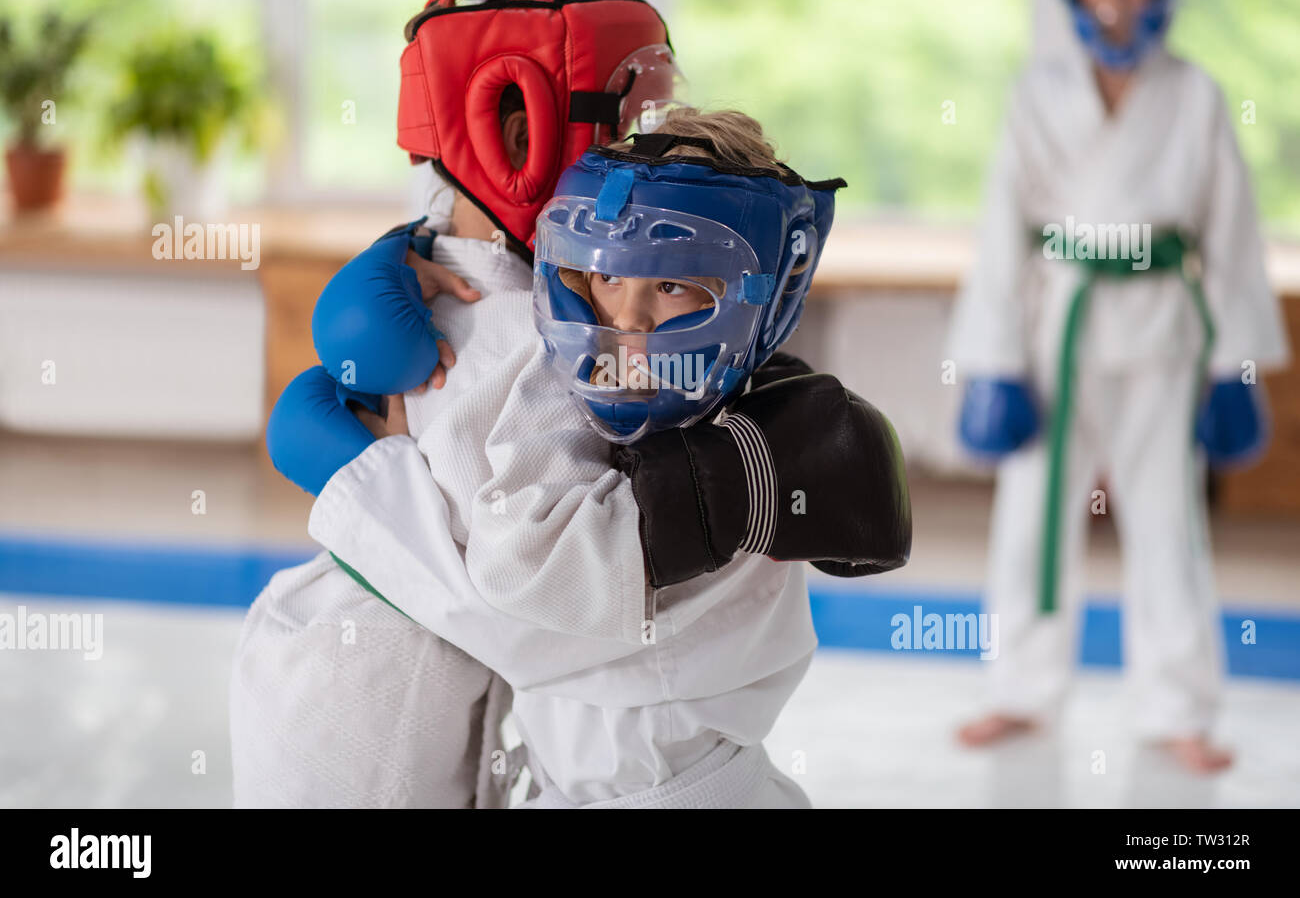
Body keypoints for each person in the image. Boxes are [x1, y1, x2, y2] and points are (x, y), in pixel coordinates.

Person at [302, 108, 911, 806]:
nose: (627, 320)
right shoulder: (601, 379)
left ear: (757, 297)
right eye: (608, 277)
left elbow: (517, 580)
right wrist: (411, 244)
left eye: (674, 285)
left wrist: (371, 489)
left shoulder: (752, 456)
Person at [230, 0, 683, 808]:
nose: (643, 158)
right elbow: (535, 612)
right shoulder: (518, 338)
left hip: (372, 692)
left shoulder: (452, 278)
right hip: (362, 719)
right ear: (519, 134)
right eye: (624, 126)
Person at [948, 0, 1289, 773]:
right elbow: (1002, 232)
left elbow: (1234, 236)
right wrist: (990, 358)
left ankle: (1179, 707)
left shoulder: (1195, 94)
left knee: (1169, 522)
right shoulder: (1038, 90)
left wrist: (1235, 364)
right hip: (1053, 334)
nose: (1117, 6)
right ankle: (1021, 693)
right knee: (1030, 521)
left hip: (1163, 337)